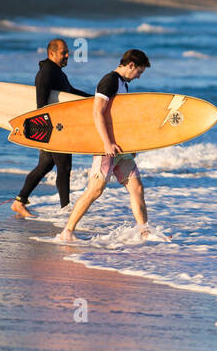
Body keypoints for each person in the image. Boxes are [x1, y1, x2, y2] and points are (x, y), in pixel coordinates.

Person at [59, 49, 152, 242]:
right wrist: (107, 143)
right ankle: (67, 231)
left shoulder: (123, 84)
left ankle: (145, 233)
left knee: (137, 188)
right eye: (139, 72)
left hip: (121, 148)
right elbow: (97, 112)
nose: (139, 76)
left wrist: (131, 146)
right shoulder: (109, 81)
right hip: (106, 147)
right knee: (95, 189)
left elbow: (118, 119)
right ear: (131, 65)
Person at [12, 39, 91, 218]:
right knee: (64, 167)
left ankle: (19, 202)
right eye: (64, 52)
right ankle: (66, 210)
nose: (67, 55)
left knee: (46, 165)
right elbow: (41, 105)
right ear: (52, 53)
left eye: (67, 52)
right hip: (53, 129)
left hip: (54, 128)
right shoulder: (46, 73)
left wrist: (95, 99)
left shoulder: (56, 72)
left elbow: (71, 92)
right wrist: (46, 133)